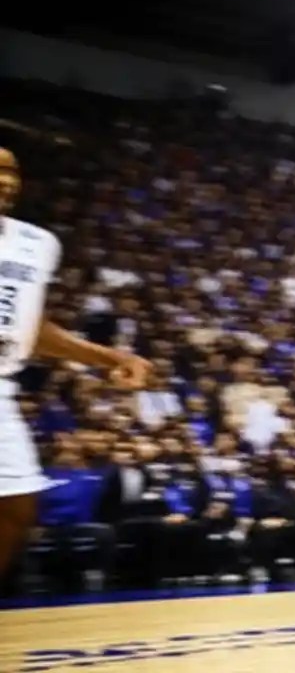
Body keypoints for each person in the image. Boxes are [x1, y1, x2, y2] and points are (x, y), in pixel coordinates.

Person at [0, 147, 153, 580]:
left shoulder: (38, 244)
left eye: (12, 170)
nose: (6, 180)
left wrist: (110, 357)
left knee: (16, 507)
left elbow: (32, 327)